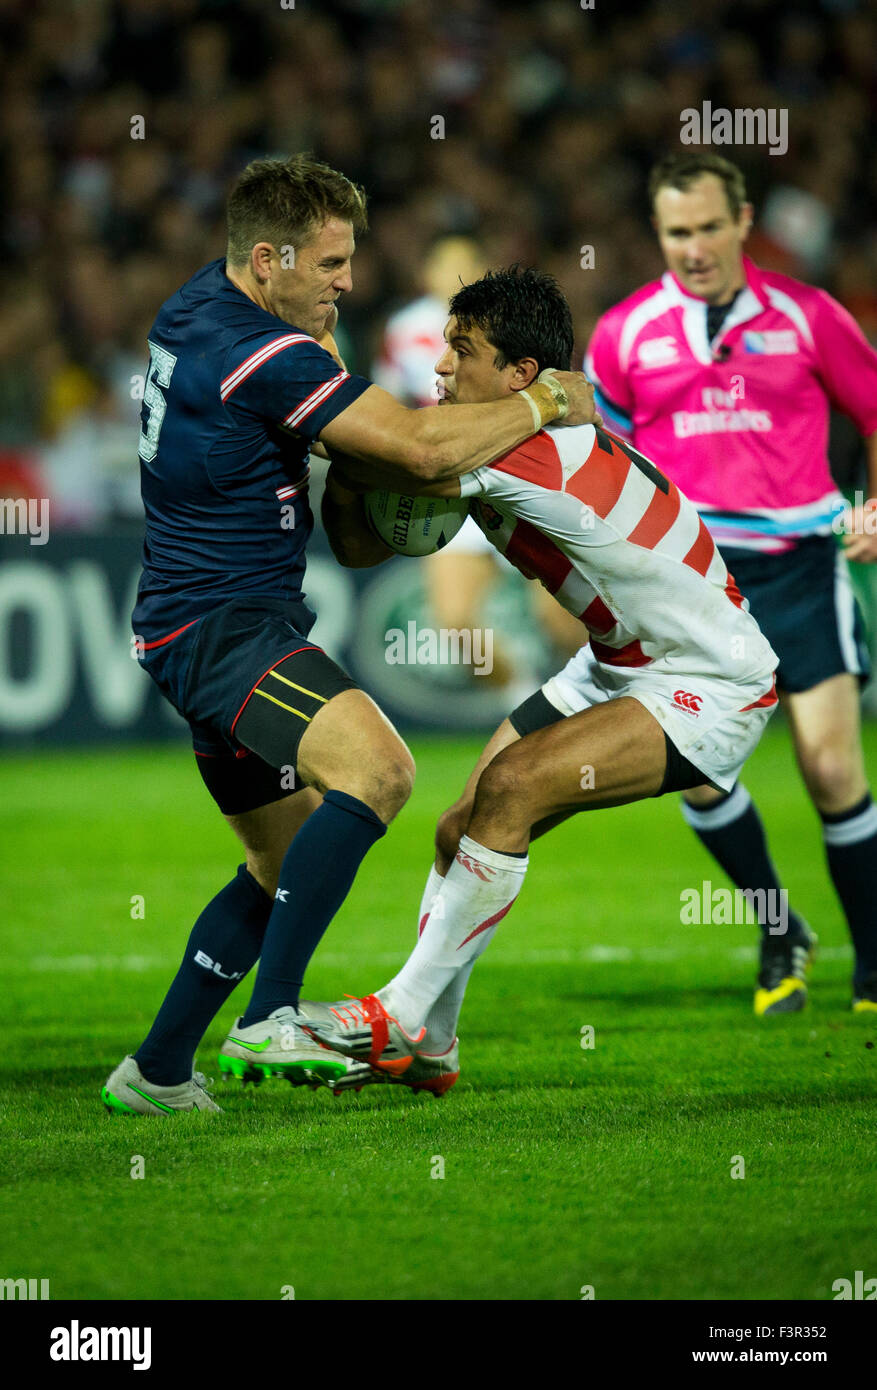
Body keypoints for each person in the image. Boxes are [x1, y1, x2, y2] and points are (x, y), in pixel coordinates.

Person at [101, 156, 597, 1116]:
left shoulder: (193, 308)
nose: (347, 282)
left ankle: (157, 1069)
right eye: (329, 262)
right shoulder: (269, 353)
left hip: (186, 621)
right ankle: (270, 1017)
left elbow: (353, 518)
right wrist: (542, 403)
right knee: (381, 772)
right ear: (264, 258)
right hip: (225, 627)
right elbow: (416, 446)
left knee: (280, 863)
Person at [301, 266, 780, 1093]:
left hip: (710, 679)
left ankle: (401, 1012)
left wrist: (309, 380)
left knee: (513, 786)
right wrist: (346, 464)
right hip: (615, 664)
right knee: (460, 828)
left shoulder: (527, 446)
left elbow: (397, 456)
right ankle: (433, 1047)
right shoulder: (492, 439)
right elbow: (363, 539)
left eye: (463, 351)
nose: (441, 368)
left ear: (522, 376)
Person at [583, 152, 877, 1016]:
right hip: (692, 587)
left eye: (710, 227)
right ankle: (779, 930)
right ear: (658, 234)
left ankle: (872, 961)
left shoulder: (808, 316)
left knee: (828, 768)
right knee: (701, 776)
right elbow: (609, 463)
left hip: (798, 568)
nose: (695, 247)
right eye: (678, 232)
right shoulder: (623, 333)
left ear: (744, 223)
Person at [373, 233, 583, 692]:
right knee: (455, 623)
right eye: (444, 264)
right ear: (425, 273)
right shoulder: (403, 330)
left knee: (561, 618)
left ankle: (600, 706)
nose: (453, 274)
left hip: (518, 476)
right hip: (451, 484)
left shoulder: (511, 326)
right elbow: (387, 405)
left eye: (465, 263)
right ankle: (523, 697)